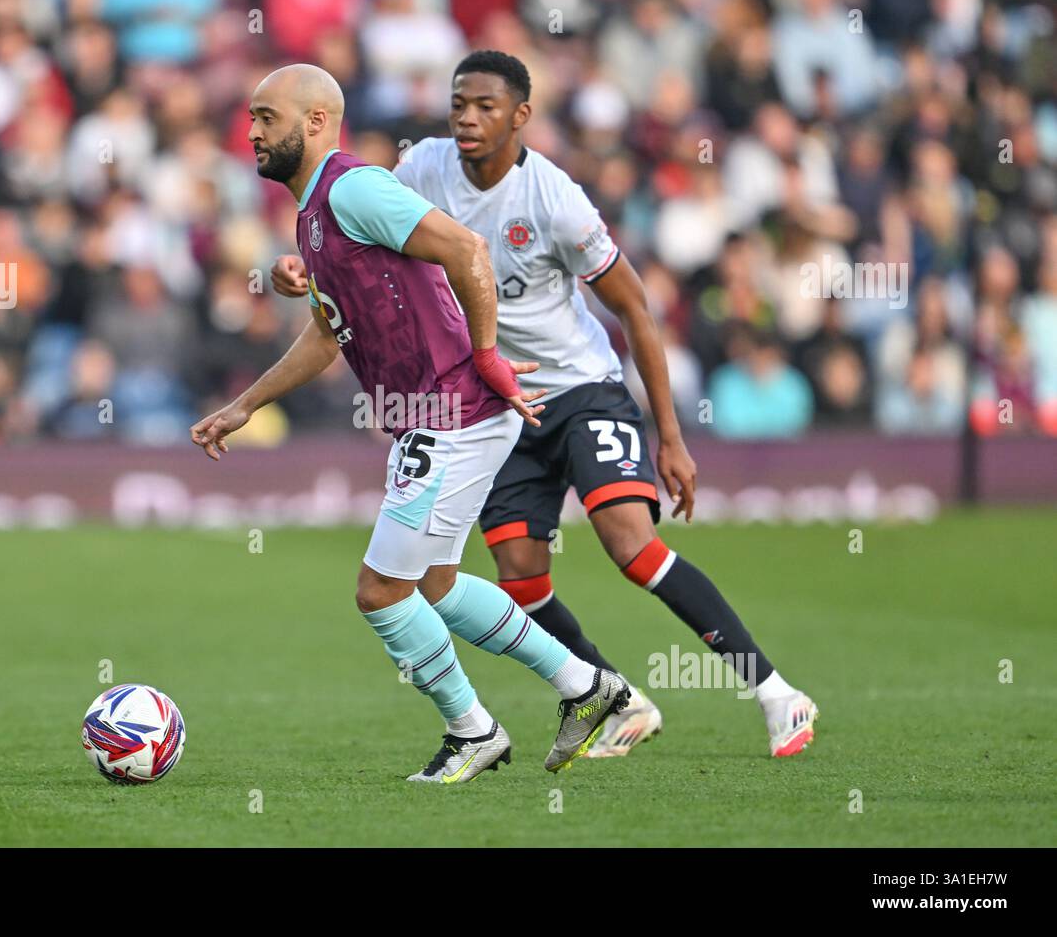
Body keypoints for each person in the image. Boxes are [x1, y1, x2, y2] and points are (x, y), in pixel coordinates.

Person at [272, 52, 818, 758]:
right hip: (497, 404)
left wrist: (672, 436)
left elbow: (635, 308)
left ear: (521, 116)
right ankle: (616, 696)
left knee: (631, 544)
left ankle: (775, 692)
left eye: (486, 106)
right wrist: (301, 274)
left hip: (580, 387)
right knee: (522, 577)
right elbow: (361, 249)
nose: (468, 117)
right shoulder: (421, 171)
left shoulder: (554, 199)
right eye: (459, 103)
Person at [192, 64, 630, 783]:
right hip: (440, 417)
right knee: (436, 586)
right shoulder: (314, 215)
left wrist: (486, 354)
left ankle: (473, 732)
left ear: (314, 121)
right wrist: (247, 404)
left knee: (380, 590)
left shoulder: (355, 188)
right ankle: (589, 688)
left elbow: (468, 249)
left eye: (266, 117)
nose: (252, 131)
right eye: (250, 116)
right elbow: (329, 334)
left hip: (451, 412)